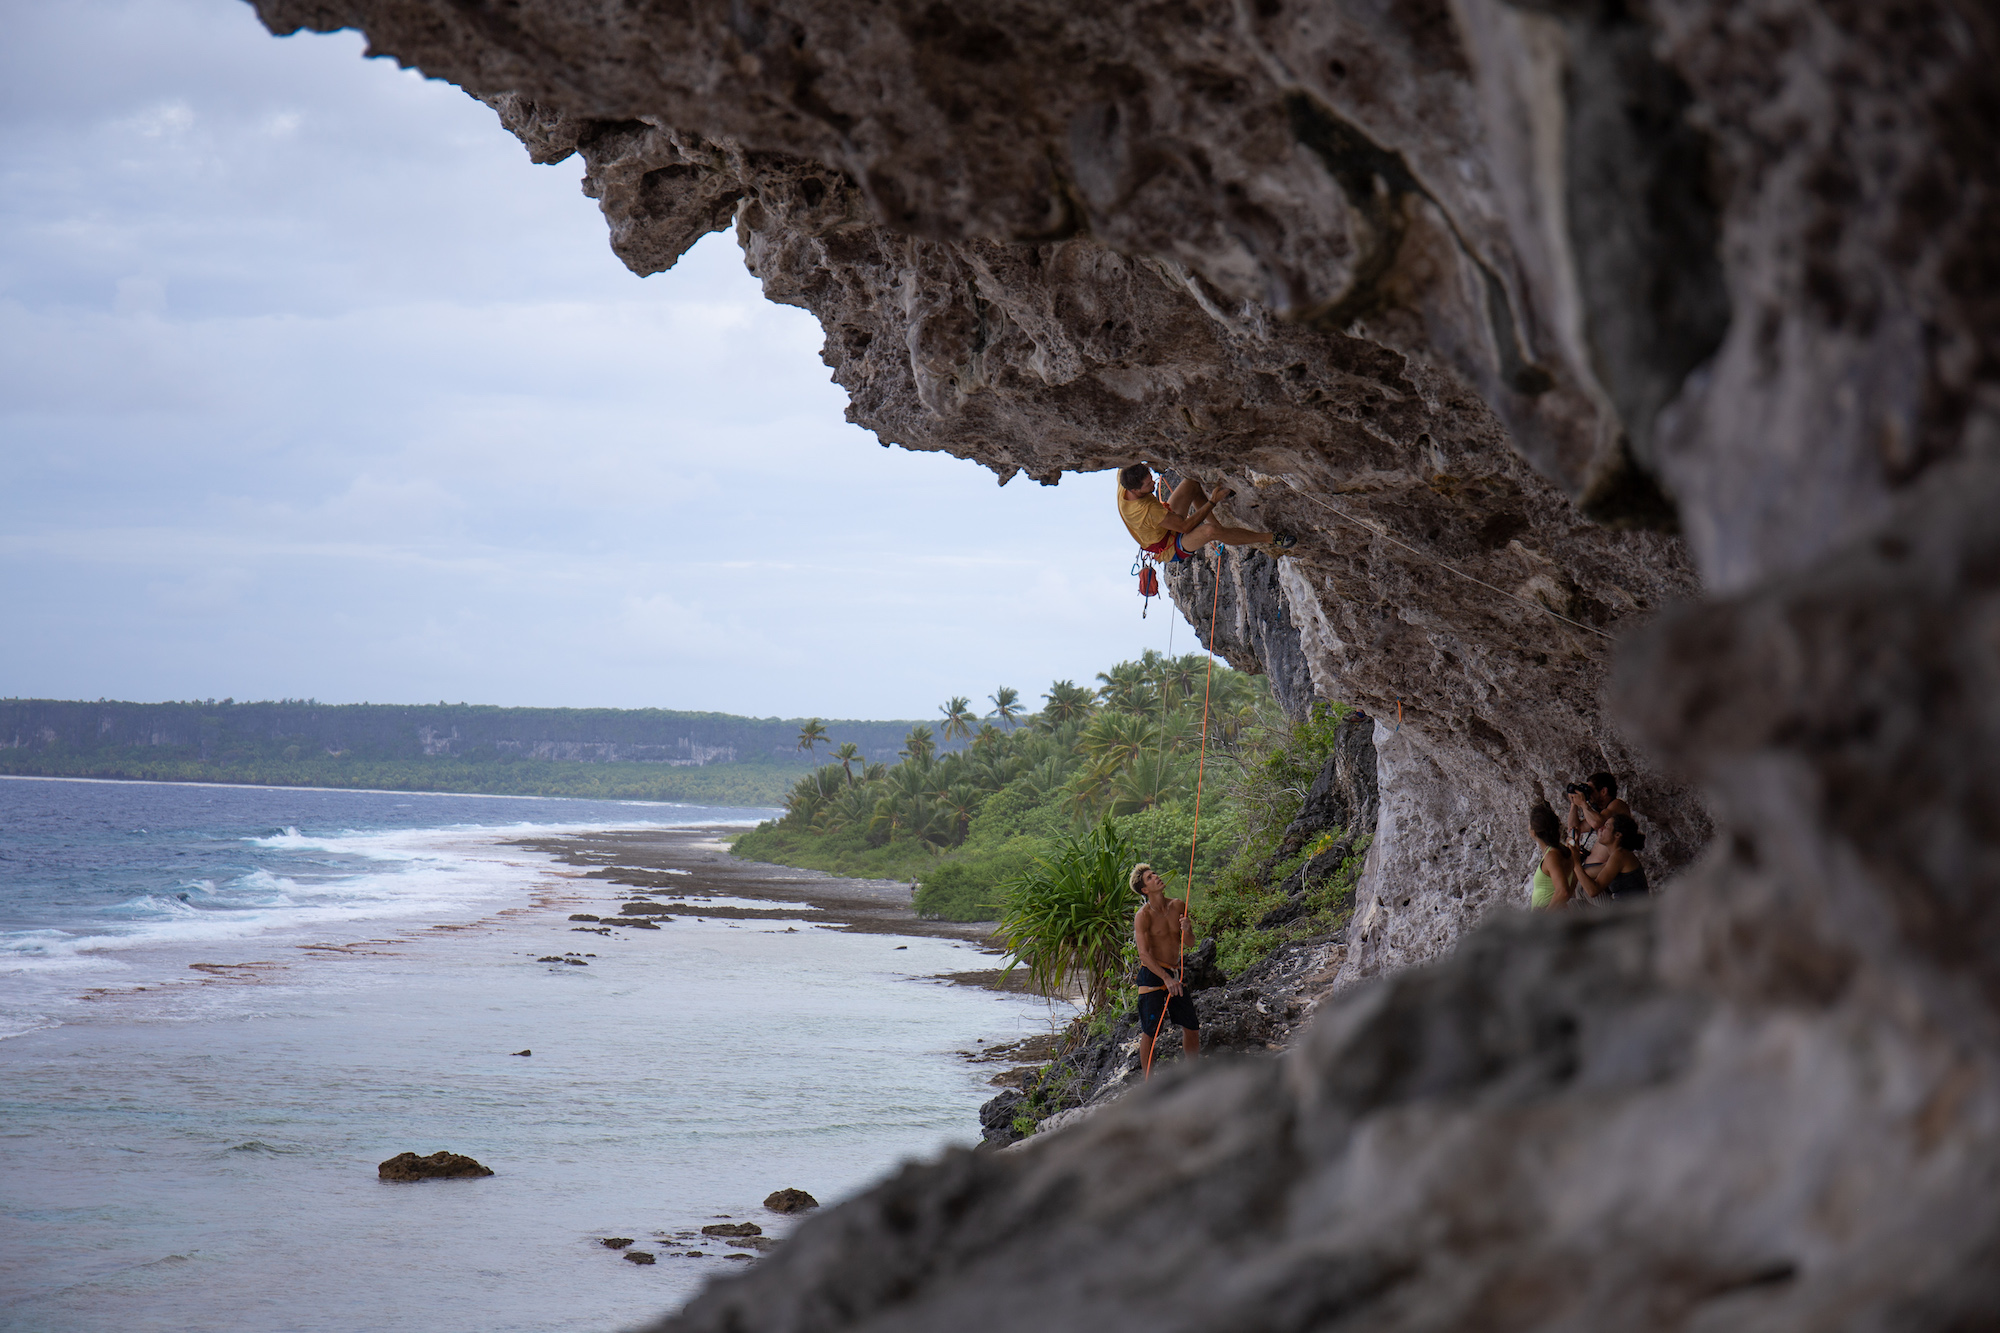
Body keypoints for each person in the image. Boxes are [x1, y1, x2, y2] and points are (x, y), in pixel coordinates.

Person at [1117, 463, 1296, 563]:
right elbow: (1185, 526)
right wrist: (1213, 501)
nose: (1154, 484)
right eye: (1149, 485)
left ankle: (1223, 532)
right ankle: (1270, 539)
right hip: (1169, 547)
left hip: (1165, 524)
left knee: (1191, 483)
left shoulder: (1124, 477)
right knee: (1209, 531)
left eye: (1151, 478)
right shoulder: (1146, 511)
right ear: (1135, 490)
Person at [1130, 862, 1200, 1070]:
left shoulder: (1178, 905)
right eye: (1150, 877)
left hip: (1175, 971)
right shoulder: (1143, 916)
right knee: (1151, 1031)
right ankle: (1148, 1084)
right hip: (1153, 974)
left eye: (1155, 874)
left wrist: (1187, 930)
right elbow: (1143, 954)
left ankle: (1193, 1073)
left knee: (1191, 1027)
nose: (1156, 877)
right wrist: (1166, 978)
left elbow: (1190, 943)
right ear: (1145, 889)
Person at [1573, 812, 1650, 902]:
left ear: (1617, 835)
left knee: (1576, 899)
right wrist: (1576, 847)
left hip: (1631, 912)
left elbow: (1593, 891)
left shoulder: (1620, 855)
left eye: (1606, 826)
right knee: (1580, 888)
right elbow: (1585, 874)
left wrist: (1576, 862)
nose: (1601, 829)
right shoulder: (1617, 856)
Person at [1527, 802, 1575, 909]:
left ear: (1534, 832)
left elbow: (1563, 891)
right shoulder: (1562, 851)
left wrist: (1545, 917)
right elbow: (1572, 884)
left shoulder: (1552, 856)